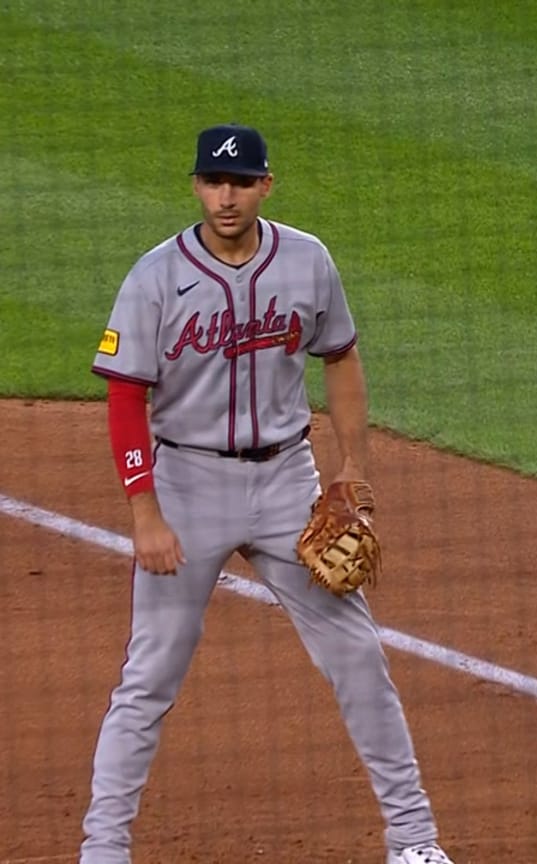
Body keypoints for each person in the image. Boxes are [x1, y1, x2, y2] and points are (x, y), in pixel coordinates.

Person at [82, 123, 455, 864]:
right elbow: (126, 397)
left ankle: (415, 841)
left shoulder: (307, 259)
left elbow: (341, 359)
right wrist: (145, 512)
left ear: (265, 185)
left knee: (358, 658)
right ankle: (103, 849)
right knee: (151, 674)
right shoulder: (155, 276)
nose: (227, 197)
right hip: (188, 482)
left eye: (242, 182)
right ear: (195, 185)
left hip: (289, 480)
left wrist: (352, 466)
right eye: (215, 183)